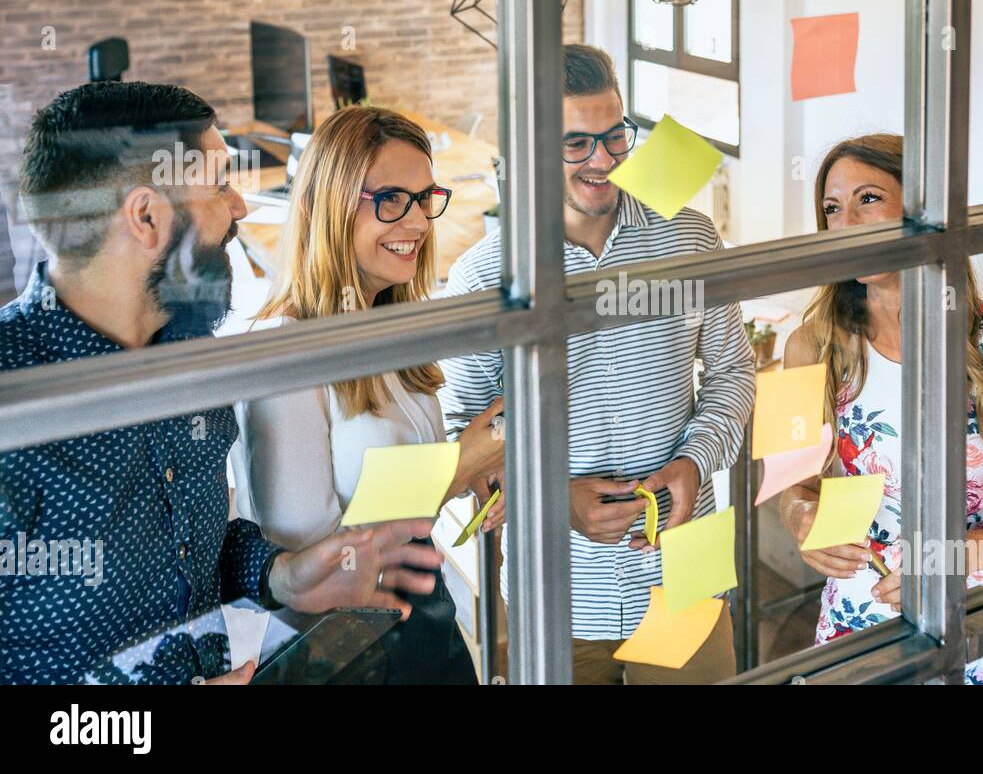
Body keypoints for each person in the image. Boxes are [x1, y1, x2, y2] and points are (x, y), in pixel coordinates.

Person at [0, 82, 442, 685]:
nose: (239, 207)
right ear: (148, 217)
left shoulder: (191, 354)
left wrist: (279, 574)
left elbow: (200, 549)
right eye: (219, 186)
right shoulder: (15, 400)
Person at [438, 44, 757, 684]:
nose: (604, 161)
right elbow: (461, 436)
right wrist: (551, 499)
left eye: (615, 136)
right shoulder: (482, 275)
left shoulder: (690, 238)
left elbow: (732, 372)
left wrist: (696, 463)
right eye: (575, 144)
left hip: (683, 573)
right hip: (554, 589)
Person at [778, 133, 983, 685]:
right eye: (831, 208)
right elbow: (793, 487)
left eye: (868, 199)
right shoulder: (806, 346)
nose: (844, 224)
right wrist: (801, 519)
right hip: (856, 618)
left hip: (977, 619)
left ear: (924, 212)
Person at [230, 105, 505, 684]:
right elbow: (312, 559)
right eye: (391, 201)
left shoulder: (386, 323)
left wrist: (474, 468)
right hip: (351, 654)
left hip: (422, 623)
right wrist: (457, 469)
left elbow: (386, 473)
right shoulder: (287, 350)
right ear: (330, 207)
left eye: (425, 198)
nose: (418, 222)